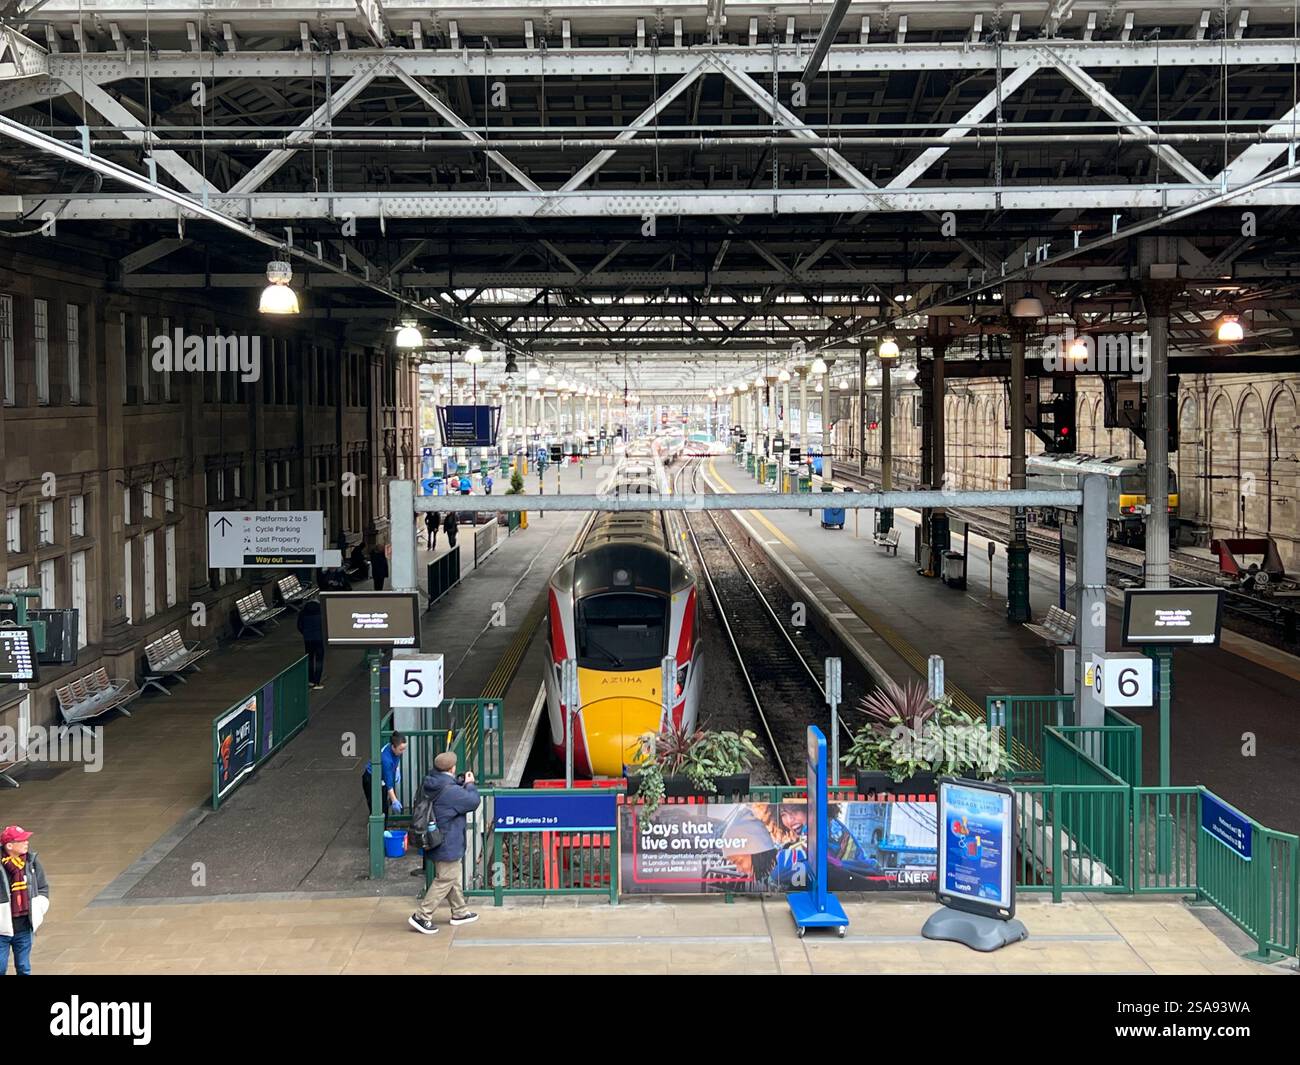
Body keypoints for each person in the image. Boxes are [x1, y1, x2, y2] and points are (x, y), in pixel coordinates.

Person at [408, 752, 480, 933]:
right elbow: (472, 801)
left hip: (433, 837)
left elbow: (447, 787)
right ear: (452, 768)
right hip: (447, 841)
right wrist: (470, 785)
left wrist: (459, 781)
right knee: (446, 878)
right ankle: (422, 916)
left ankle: (460, 912)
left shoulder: (431, 781)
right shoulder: (451, 792)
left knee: (452, 877)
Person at [1, 825, 49, 976]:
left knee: (23, 967)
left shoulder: (31, 862)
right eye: (21, 840)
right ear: (10, 845)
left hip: (24, 926)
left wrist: (39, 907)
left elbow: (43, 887)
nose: (26, 843)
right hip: (1, 929)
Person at [361, 733, 407, 817]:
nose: (402, 752)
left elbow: (396, 759)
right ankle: (377, 829)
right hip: (371, 779)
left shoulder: (394, 749)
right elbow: (389, 784)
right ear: (393, 747)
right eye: (401, 749)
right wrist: (394, 800)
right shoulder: (386, 759)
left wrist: (397, 769)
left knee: (384, 807)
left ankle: (384, 829)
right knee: (376, 808)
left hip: (380, 778)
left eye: (404, 749)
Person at [297, 599, 326, 689]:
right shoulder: (321, 611)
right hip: (319, 639)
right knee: (319, 660)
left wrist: (305, 633)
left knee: (309, 659)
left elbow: (299, 625)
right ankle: (317, 682)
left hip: (308, 639)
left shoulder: (303, 612)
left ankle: (310, 680)